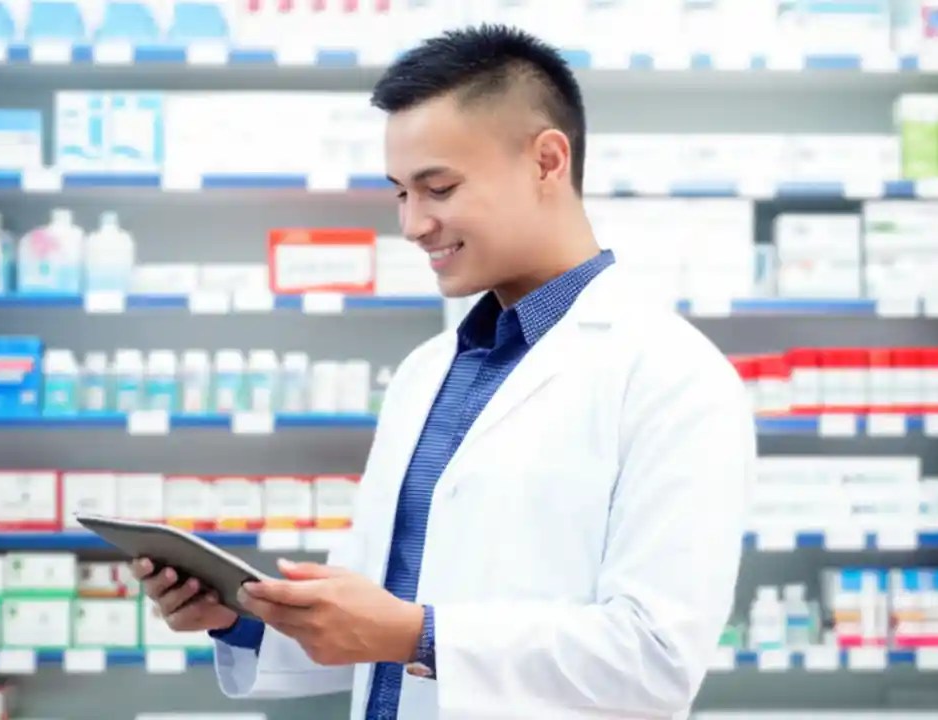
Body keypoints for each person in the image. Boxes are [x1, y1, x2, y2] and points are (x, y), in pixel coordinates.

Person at [131, 23, 754, 720]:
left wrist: (415, 634)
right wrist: (238, 616)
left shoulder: (672, 375)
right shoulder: (427, 373)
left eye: (439, 188)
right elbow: (371, 613)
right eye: (400, 193)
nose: (413, 225)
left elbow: (655, 658)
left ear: (548, 162)